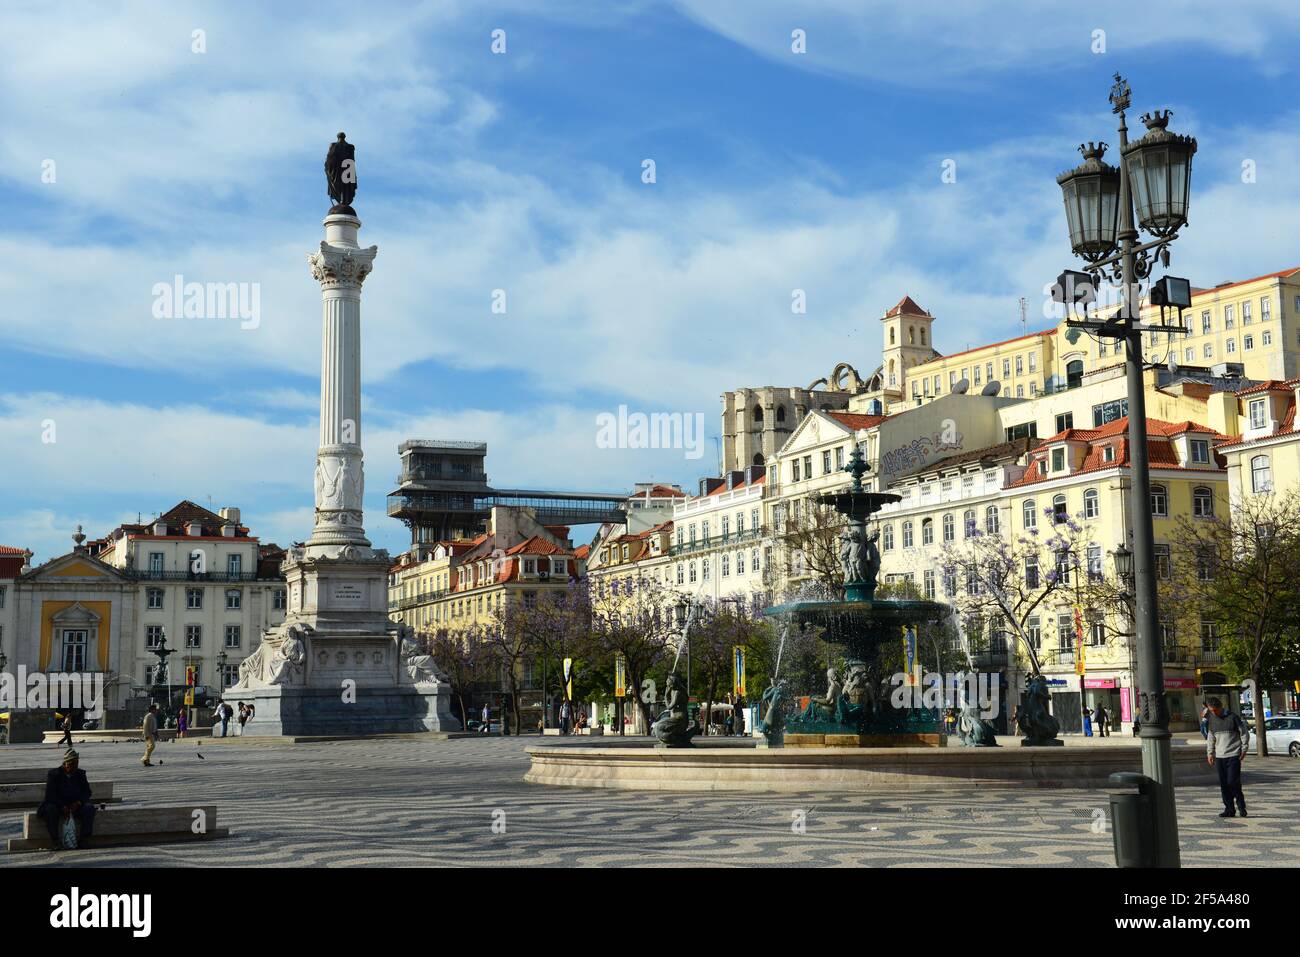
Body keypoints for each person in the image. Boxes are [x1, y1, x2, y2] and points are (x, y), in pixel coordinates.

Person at [40, 749, 95, 850]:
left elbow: (87, 792)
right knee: (50, 809)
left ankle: (84, 840)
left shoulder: (80, 774)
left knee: (89, 808)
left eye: (76, 763)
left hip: (75, 804)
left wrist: (78, 802)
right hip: (58, 805)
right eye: (73, 764)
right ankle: (55, 841)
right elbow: (50, 795)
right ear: (66, 764)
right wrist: (62, 806)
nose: (75, 767)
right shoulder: (54, 774)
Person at [1206, 696, 1250, 818]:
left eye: (1215, 710)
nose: (1213, 713)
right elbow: (1211, 738)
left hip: (1233, 754)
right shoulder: (1212, 719)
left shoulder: (1233, 717)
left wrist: (1244, 749)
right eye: (1211, 711)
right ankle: (1229, 809)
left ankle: (1241, 806)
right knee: (1224, 784)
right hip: (1219, 756)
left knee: (1233, 782)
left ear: (1220, 707)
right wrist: (1210, 753)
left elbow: (1244, 734)